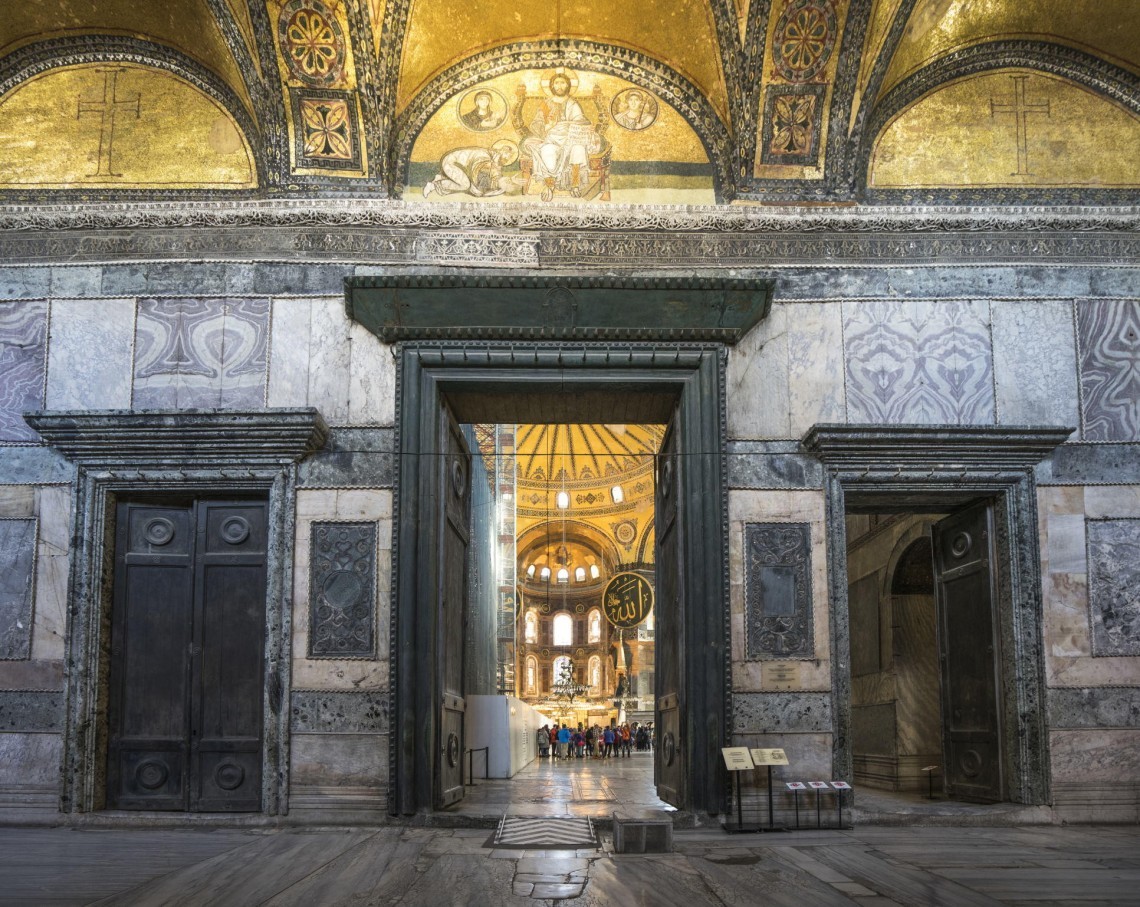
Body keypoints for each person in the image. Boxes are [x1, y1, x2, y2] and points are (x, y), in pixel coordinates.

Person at [521, 72, 600, 201]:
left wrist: (587, 125)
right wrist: (548, 126)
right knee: (547, 151)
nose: (559, 86)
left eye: (562, 83)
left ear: (567, 85)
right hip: (552, 139)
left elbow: (580, 120)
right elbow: (536, 124)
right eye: (556, 83)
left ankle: (575, 185)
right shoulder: (546, 104)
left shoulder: (573, 104)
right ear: (552, 85)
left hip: (571, 138)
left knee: (578, 149)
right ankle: (550, 185)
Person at [422, 140, 517, 198]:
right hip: (451, 163)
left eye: (509, 158)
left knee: (473, 188)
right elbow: (477, 174)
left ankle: (441, 177)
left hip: (460, 167)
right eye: (507, 156)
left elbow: (495, 175)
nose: (507, 159)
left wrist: (509, 181)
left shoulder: (493, 160)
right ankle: (433, 185)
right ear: (501, 151)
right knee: (465, 185)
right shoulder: (484, 156)